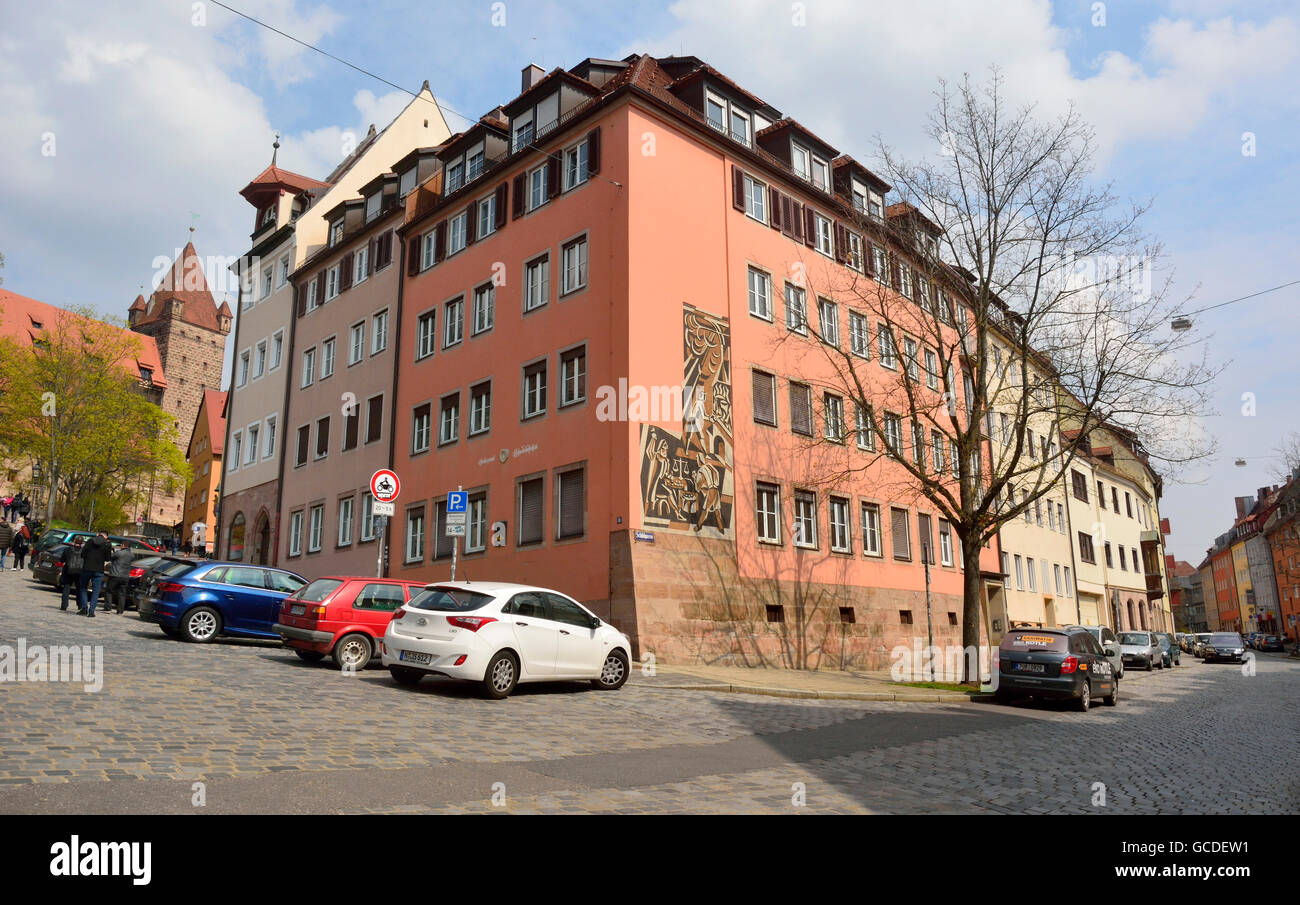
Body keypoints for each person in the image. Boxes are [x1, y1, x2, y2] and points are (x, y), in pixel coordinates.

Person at [77, 531, 112, 617]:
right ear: (106, 537)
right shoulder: (107, 544)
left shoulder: (90, 541)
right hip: (99, 570)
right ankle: (91, 611)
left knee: (83, 588)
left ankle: (84, 608)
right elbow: (108, 558)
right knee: (96, 591)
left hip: (87, 568)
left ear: (98, 534)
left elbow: (83, 554)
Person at [105, 543, 134, 615]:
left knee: (109, 591)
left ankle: (108, 607)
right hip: (125, 576)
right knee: (122, 594)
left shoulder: (119, 553)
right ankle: (120, 610)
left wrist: (112, 552)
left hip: (115, 575)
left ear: (123, 545)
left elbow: (110, 557)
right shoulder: (132, 555)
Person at [60, 537, 85, 612]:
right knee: (79, 589)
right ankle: (80, 605)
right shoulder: (84, 551)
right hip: (80, 571)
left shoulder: (68, 549)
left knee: (66, 588)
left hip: (69, 571)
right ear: (82, 542)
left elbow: (62, 559)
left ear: (74, 541)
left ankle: (64, 605)